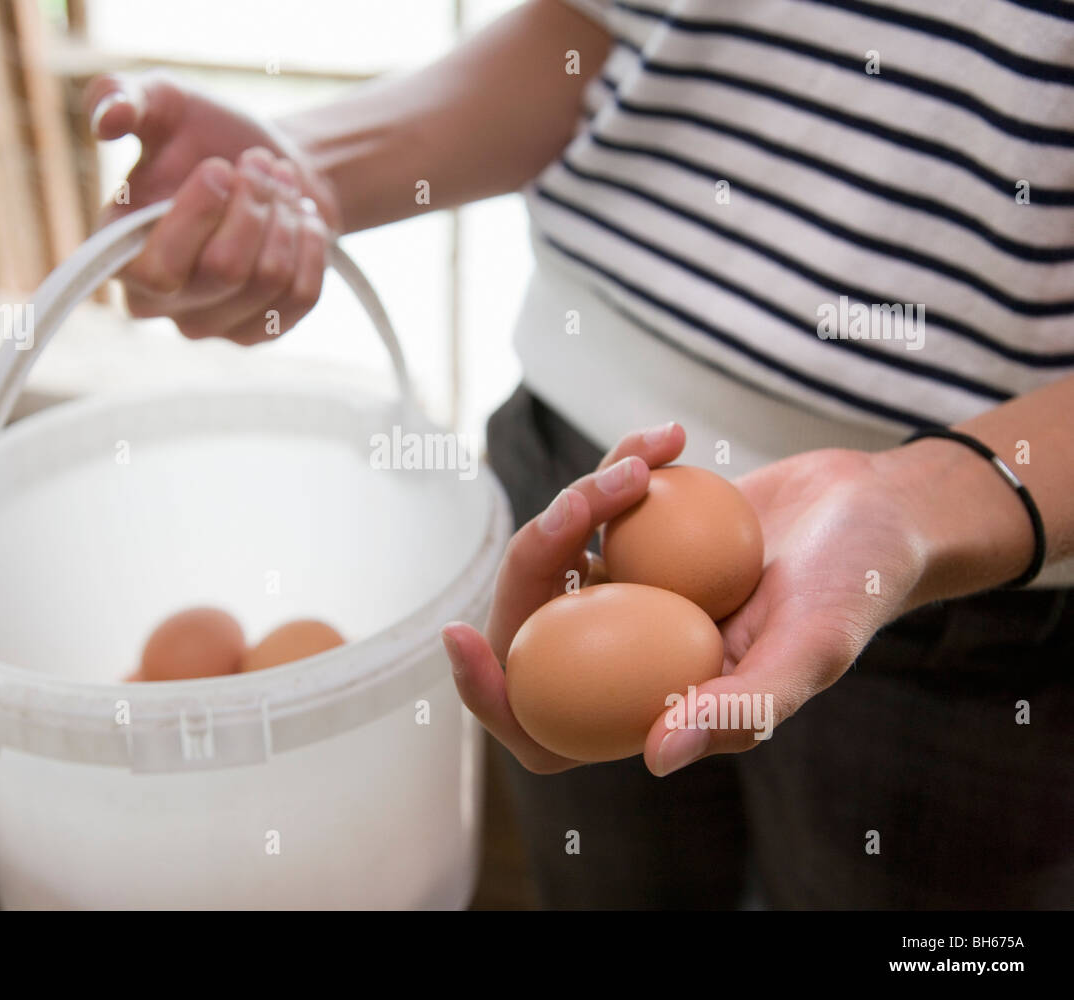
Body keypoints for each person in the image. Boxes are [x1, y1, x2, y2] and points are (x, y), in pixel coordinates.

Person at [86, 0, 1074, 908]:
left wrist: (926, 496)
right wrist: (296, 176)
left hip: (977, 580)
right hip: (576, 493)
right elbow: (611, 31)